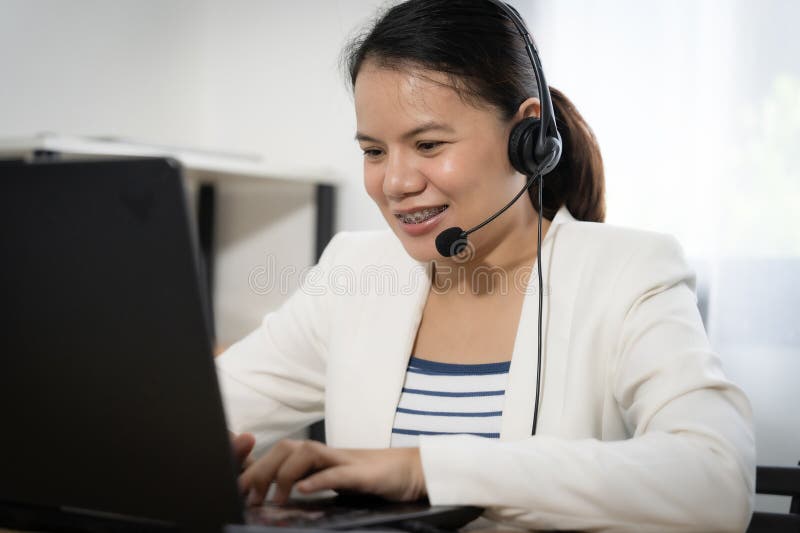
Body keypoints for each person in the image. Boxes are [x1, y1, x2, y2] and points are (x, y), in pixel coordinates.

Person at [216, 0, 755, 530]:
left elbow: (715, 479)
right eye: (374, 152)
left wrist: (424, 470)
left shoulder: (627, 272)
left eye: (428, 144)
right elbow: (195, 413)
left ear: (528, 139)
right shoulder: (354, 272)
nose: (396, 183)